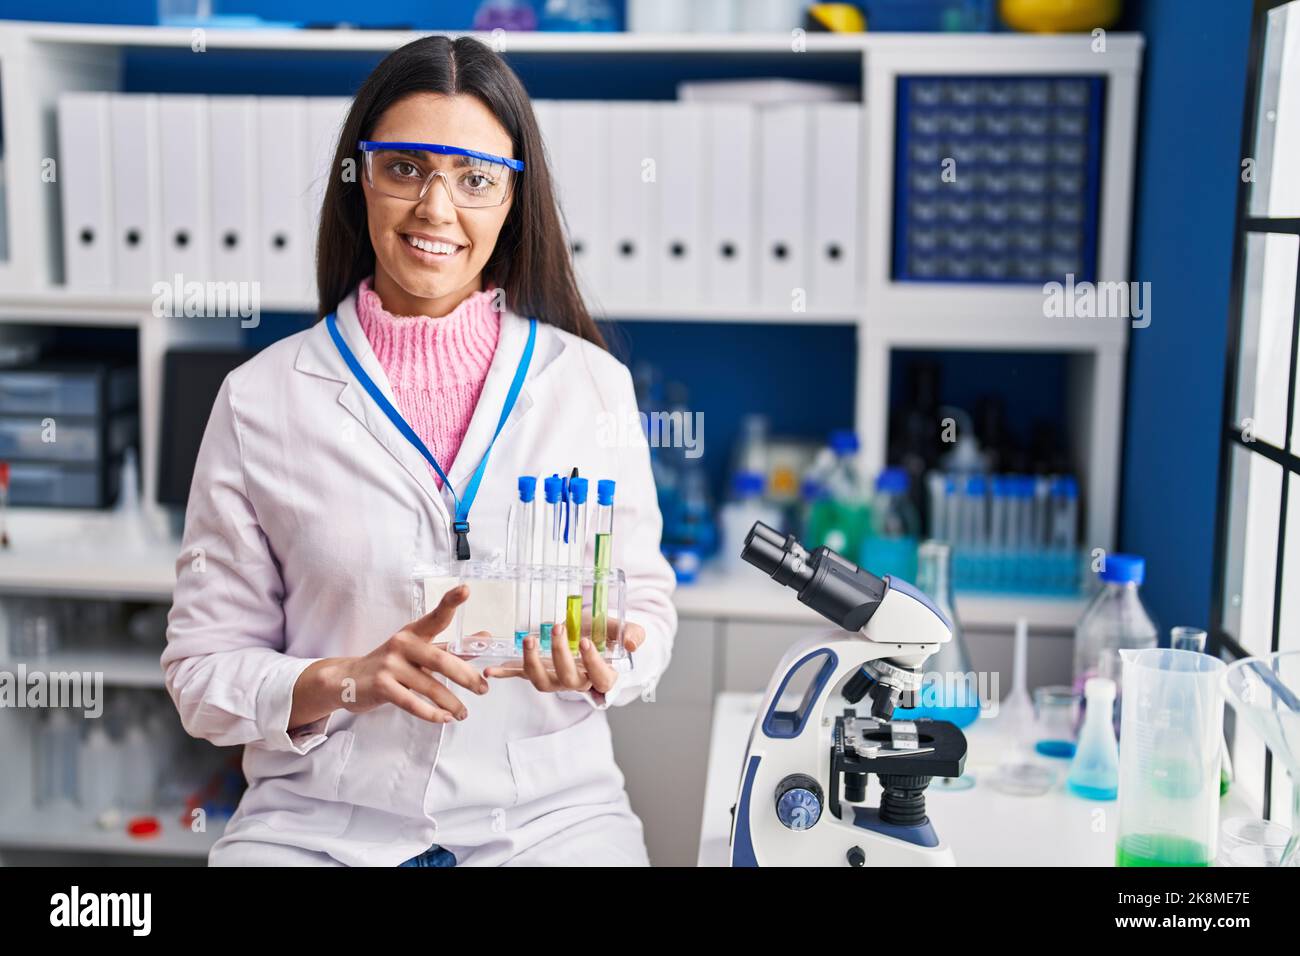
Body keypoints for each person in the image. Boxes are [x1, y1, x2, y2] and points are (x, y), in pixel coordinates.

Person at [162, 35, 676, 866]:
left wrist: (609, 659)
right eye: (405, 167)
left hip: (548, 822)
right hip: (318, 826)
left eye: (475, 178)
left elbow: (649, 608)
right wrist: (342, 680)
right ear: (359, 178)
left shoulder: (592, 388)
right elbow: (201, 669)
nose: (437, 209)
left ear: (514, 198)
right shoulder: (261, 400)